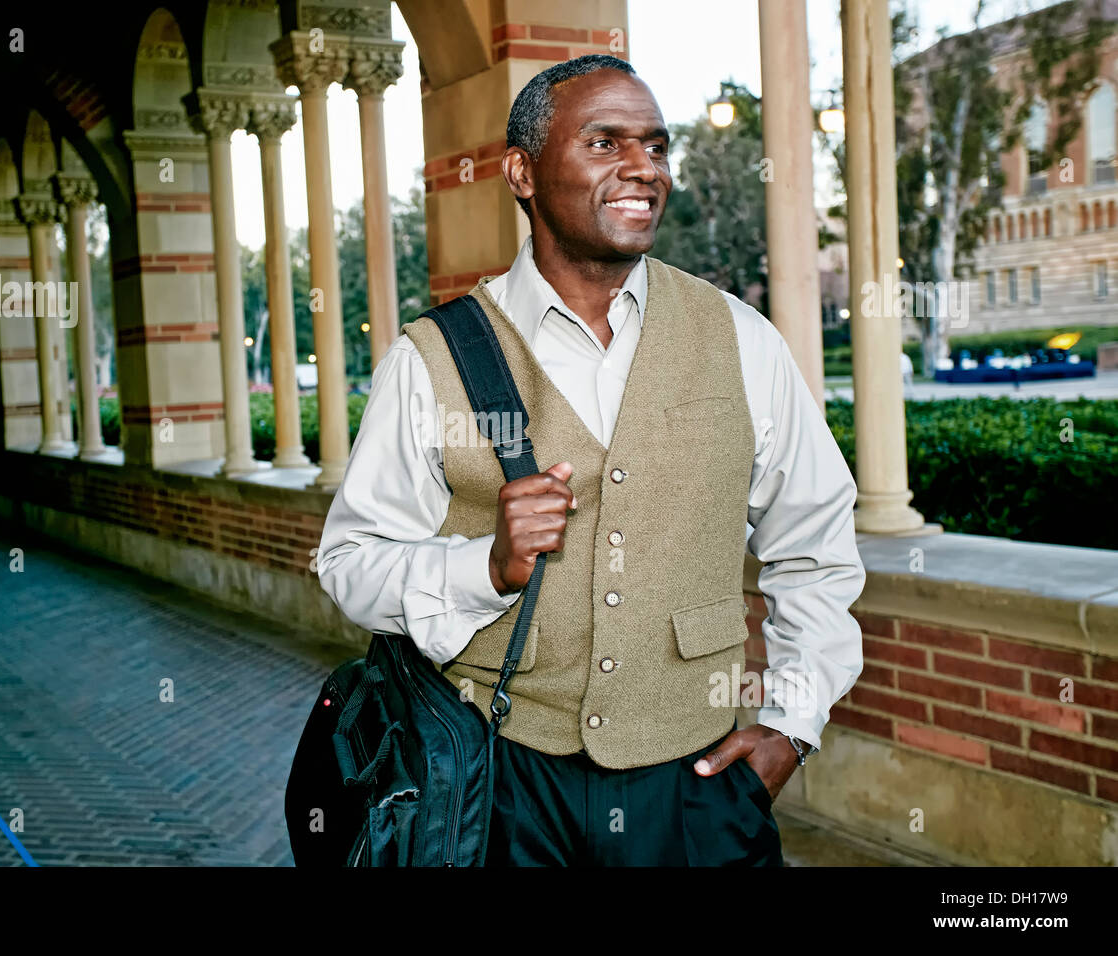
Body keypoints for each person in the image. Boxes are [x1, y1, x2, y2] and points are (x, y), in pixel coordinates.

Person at [317, 54, 865, 866]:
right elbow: (350, 564)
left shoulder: (740, 338)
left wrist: (791, 723)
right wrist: (486, 567)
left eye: (655, 145)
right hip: (500, 782)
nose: (643, 167)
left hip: (697, 785)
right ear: (523, 172)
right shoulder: (430, 358)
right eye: (605, 143)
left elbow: (816, 545)